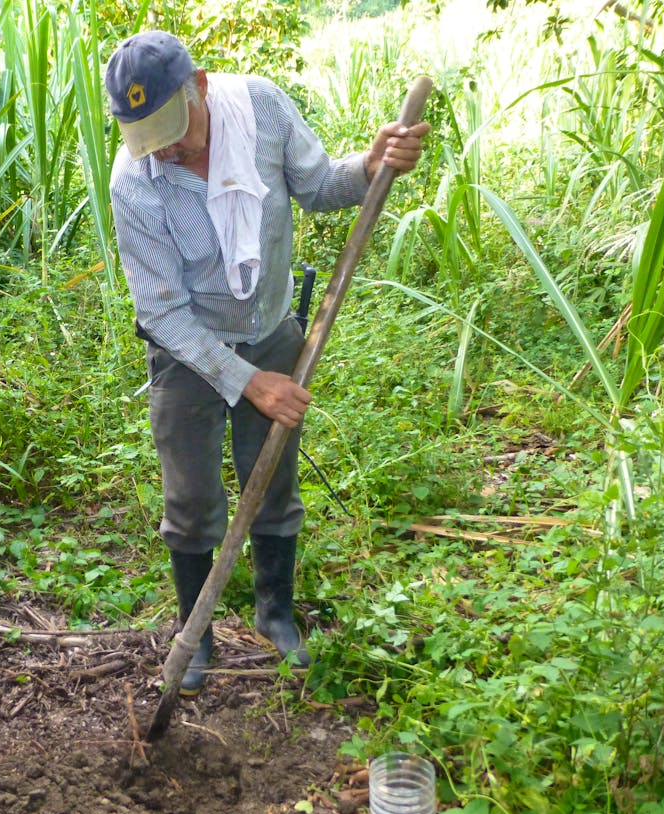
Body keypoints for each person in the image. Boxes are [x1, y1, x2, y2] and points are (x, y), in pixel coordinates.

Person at [105, 31, 429, 694]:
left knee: (272, 479)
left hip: (271, 327)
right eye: (149, 135)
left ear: (199, 85)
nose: (165, 147)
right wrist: (246, 382)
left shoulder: (261, 109)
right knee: (192, 497)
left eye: (171, 127)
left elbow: (318, 187)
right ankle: (196, 630)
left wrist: (369, 166)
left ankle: (275, 614)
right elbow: (163, 315)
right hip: (186, 351)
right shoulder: (135, 184)